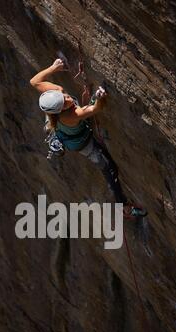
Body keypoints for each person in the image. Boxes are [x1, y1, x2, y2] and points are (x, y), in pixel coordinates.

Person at [30, 58, 147, 217]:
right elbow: (96, 108)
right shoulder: (72, 115)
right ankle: (124, 208)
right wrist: (100, 97)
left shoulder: (54, 95)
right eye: (65, 103)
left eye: (64, 96)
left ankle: (55, 137)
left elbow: (34, 81)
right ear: (59, 110)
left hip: (64, 130)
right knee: (110, 168)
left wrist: (53, 67)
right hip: (82, 143)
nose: (68, 99)